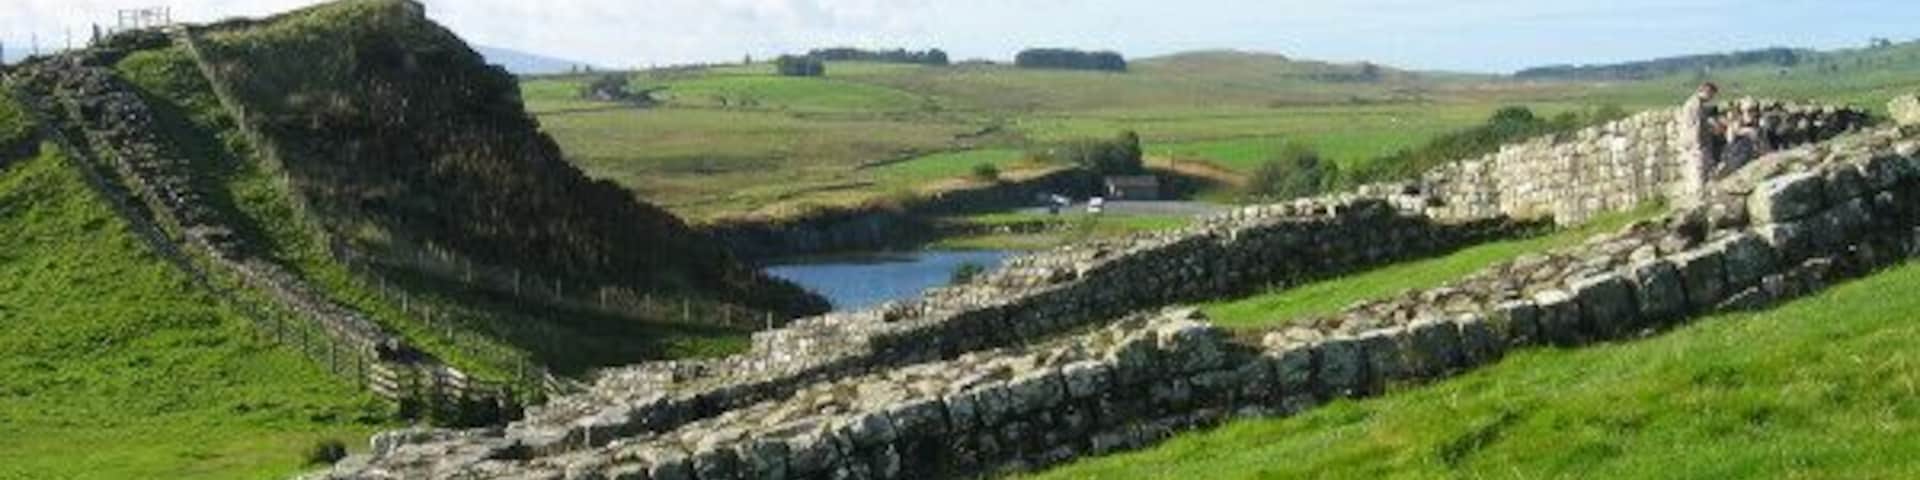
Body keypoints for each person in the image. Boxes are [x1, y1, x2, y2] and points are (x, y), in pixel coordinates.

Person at [1674, 82, 1723, 204]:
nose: (1711, 98)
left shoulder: (1694, 104)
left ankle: (1696, 201)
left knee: (1696, 176)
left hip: (1693, 145)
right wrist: (1699, 147)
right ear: (1707, 91)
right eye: (1712, 95)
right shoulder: (1695, 105)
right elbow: (1695, 128)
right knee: (1697, 177)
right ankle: (1697, 203)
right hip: (1695, 147)